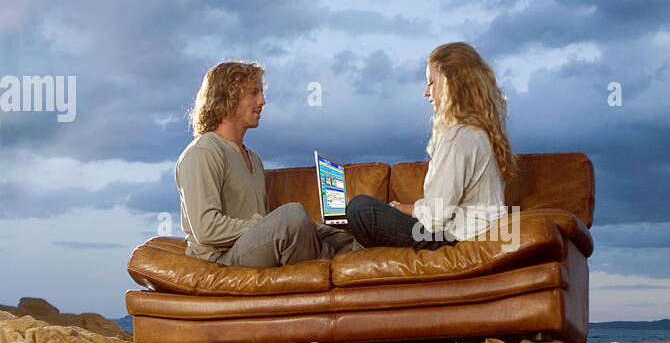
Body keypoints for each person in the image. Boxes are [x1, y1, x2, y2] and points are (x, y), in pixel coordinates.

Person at [175, 60, 359, 266]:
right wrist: (265, 224)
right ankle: (326, 262)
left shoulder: (253, 158)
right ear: (227, 97)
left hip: (251, 245)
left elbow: (266, 229)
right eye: (254, 93)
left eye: (261, 93)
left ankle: (335, 261)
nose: (262, 101)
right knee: (293, 216)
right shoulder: (204, 150)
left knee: (351, 231)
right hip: (220, 258)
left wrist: (320, 229)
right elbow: (206, 229)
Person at [346, 43, 516, 249]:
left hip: (454, 238)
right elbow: (441, 208)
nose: (426, 93)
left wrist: (398, 210)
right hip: (466, 232)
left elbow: (435, 218)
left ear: (452, 83)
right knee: (366, 216)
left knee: (359, 208)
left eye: (431, 83)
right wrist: (401, 209)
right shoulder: (477, 131)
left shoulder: (459, 136)